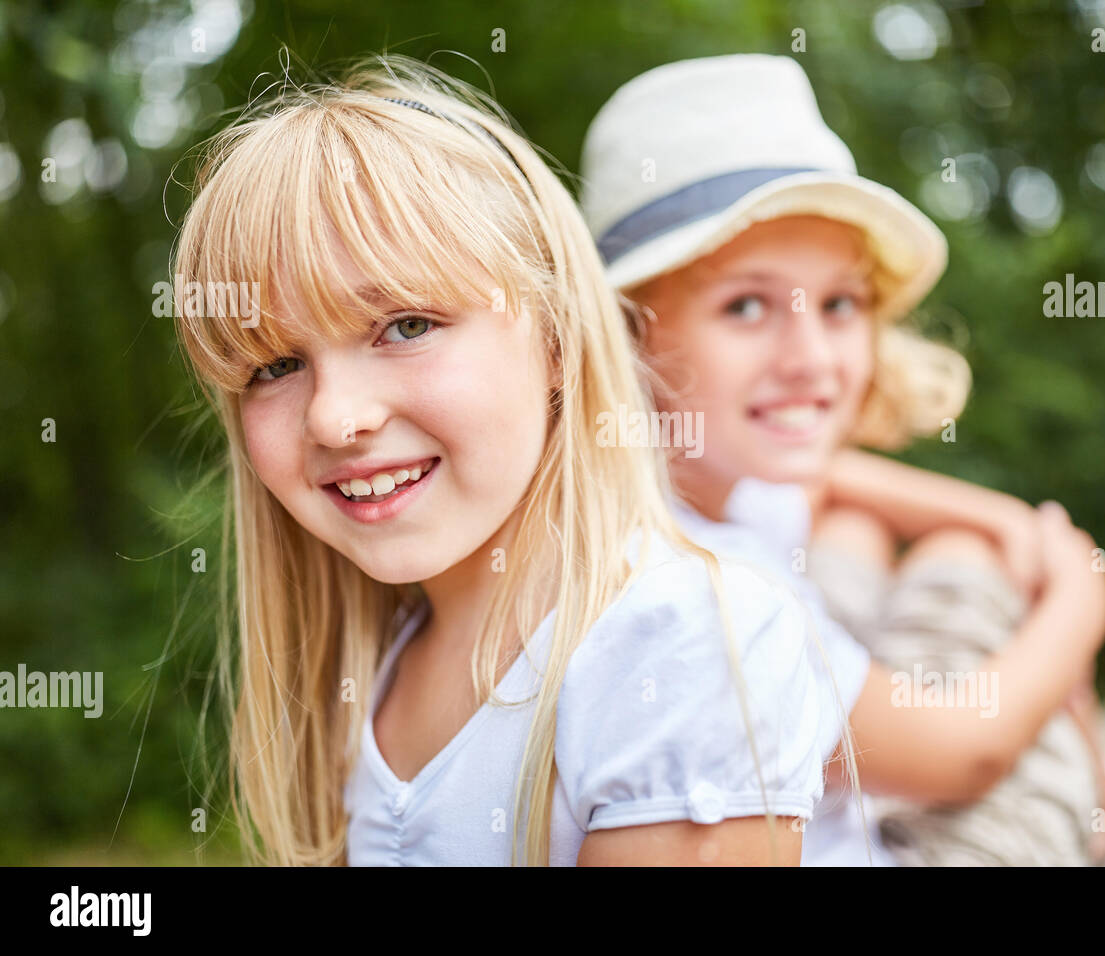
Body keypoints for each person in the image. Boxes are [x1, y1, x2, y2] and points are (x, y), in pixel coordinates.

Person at [169, 54, 862, 866]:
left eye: (406, 326)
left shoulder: (678, 644)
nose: (333, 416)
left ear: (559, 339)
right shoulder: (373, 663)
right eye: (274, 367)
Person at [580, 53, 1105, 864]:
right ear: (625, 338)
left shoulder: (685, 484)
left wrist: (995, 516)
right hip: (928, 814)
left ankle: (1096, 784)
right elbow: (973, 750)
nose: (813, 358)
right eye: (746, 305)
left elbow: (832, 481)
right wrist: (1080, 587)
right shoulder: (696, 596)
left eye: (840, 303)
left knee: (872, 529)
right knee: (970, 565)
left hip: (857, 789)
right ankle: (1100, 800)